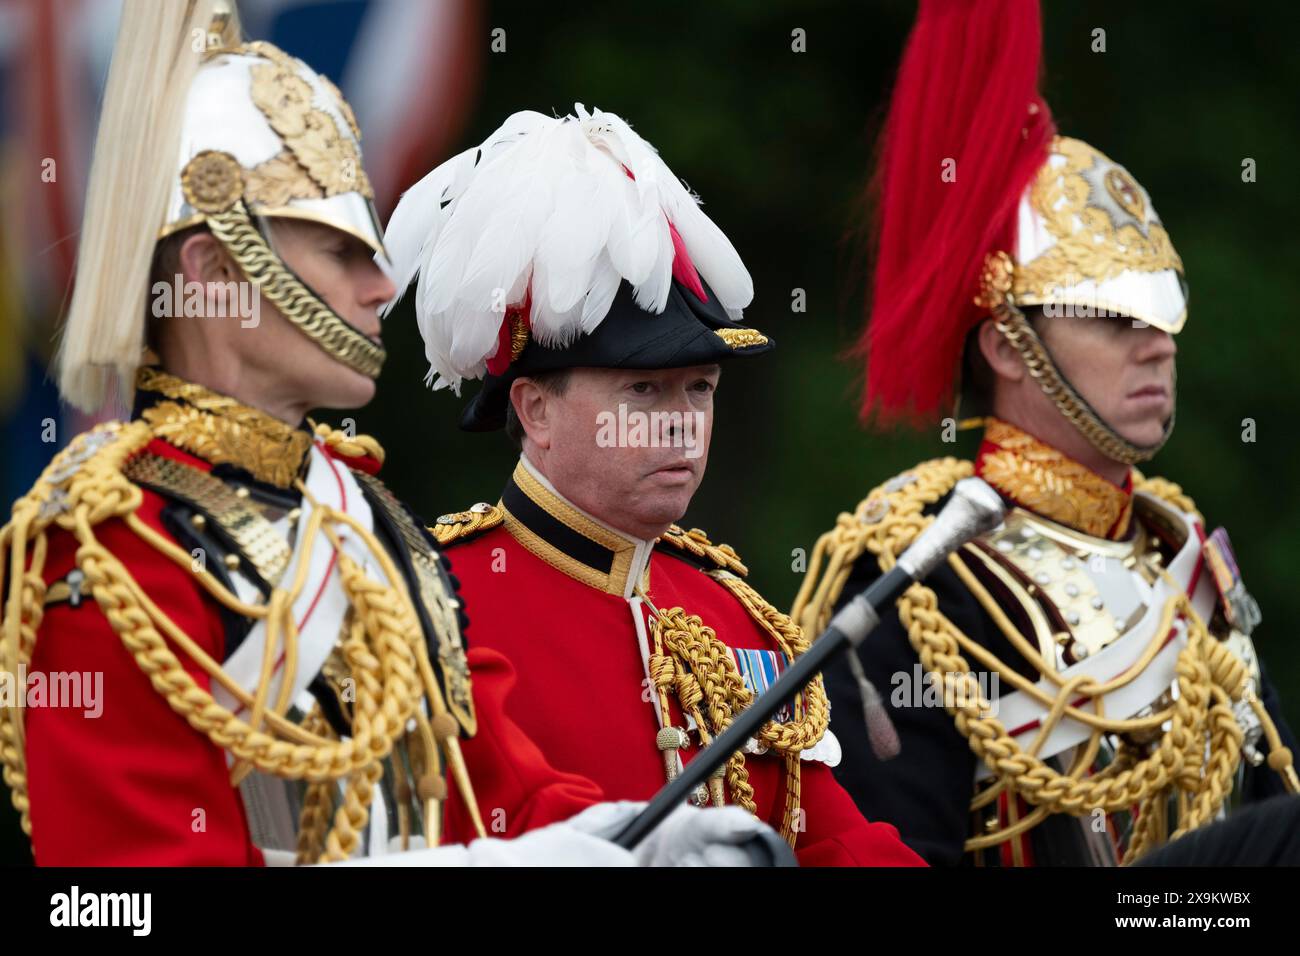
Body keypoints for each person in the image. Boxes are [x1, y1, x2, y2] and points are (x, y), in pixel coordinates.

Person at [0, 0, 768, 867]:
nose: (380, 285)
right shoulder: (109, 543)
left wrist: (637, 837)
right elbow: (121, 899)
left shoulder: (363, 519)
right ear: (215, 271)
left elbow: (497, 788)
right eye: (341, 253)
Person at [791, 0, 1298, 866]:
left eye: (1160, 314)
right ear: (1006, 344)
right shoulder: (920, 584)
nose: (1156, 344)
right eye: (1111, 317)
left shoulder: (1181, 555)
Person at [383, 105, 925, 866]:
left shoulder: (734, 613)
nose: (681, 424)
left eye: (699, 390)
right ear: (534, 409)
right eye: (644, 392)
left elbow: (834, 843)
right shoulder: (437, 605)